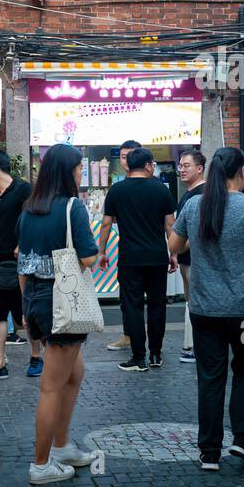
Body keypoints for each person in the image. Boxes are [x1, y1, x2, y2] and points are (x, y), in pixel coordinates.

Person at [171, 148, 244, 470]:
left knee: (210, 377)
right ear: (243, 172)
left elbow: (174, 246)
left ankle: (209, 452)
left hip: (205, 310)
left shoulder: (195, 205)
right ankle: (243, 440)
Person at [18, 144, 100, 484]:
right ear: (67, 171)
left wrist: (26, 310)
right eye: (79, 168)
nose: (81, 173)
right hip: (62, 302)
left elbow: (22, 261)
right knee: (51, 387)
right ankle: (41, 464)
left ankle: (63, 445)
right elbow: (88, 258)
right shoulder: (71, 207)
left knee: (73, 373)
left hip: (36, 298)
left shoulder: (29, 209)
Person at [100, 147, 177, 371]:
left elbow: (106, 223)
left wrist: (102, 251)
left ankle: (138, 357)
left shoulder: (117, 190)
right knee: (157, 306)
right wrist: (173, 252)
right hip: (156, 256)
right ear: (147, 165)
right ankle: (155, 354)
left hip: (129, 257)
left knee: (132, 307)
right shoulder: (161, 189)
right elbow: (169, 225)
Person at [0, 148, 35, 380]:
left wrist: (23, 243)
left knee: (26, 313)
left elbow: (33, 219)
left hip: (20, 262)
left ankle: (36, 356)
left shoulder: (23, 190)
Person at [106, 139, 144, 354]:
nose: (127, 160)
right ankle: (130, 335)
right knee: (128, 298)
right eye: (122, 156)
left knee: (151, 301)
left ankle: (147, 342)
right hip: (127, 250)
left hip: (149, 251)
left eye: (130, 155)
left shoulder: (152, 184)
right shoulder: (118, 185)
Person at [175, 150, 206, 363]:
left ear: (200, 168)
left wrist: (178, 247)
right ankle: (191, 345)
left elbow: (197, 232)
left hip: (196, 258)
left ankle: (195, 346)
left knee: (197, 302)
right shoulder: (188, 193)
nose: (182, 169)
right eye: (181, 166)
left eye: (186, 165)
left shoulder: (202, 194)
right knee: (189, 301)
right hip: (185, 258)